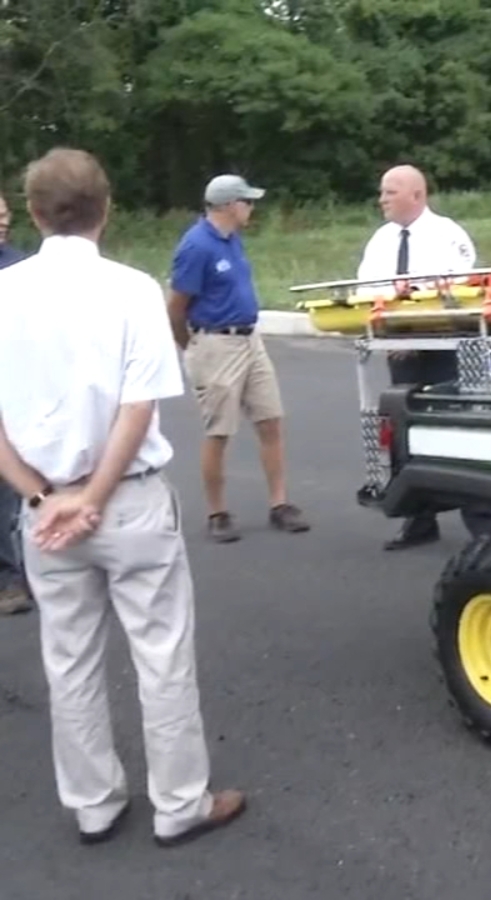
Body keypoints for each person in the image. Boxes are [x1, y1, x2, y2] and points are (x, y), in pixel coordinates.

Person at [0, 146, 247, 847]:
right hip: (128, 498)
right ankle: (178, 803)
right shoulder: (132, 288)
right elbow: (138, 407)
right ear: (104, 210)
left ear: (37, 213)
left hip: (44, 508)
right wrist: (96, 495)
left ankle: (94, 802)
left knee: (69, 657)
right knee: (160, 651)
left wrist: (48, 496)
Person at [356, 164, 491, 550]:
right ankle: (419, 520)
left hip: (446, 353)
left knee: (461, 434)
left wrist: (419, 334)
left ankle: (484, 528)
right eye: (382, 191)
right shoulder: (381, 241)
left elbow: (458, 294)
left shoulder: (447, 236)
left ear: (416, 196)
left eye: (390, 192)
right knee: (405, 435)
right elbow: (369, 291)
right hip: (400, 352)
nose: (382, 198)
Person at [166, 174, 311, 543]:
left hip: (250, 339)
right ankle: (217, 512)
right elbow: (176, 307)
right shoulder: (196, 246)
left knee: (270, 420)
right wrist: (192, 347)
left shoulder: (232, 241)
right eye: (247, 201)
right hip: (216, 343)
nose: (251, 207)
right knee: (219, 431)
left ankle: (279, 504)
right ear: (229, 205)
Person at [0, 191, 33, 615]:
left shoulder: (21, 266)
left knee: (11, 491)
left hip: (13, 392)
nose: (2, 222)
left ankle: (12, 578)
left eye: (5, 215)